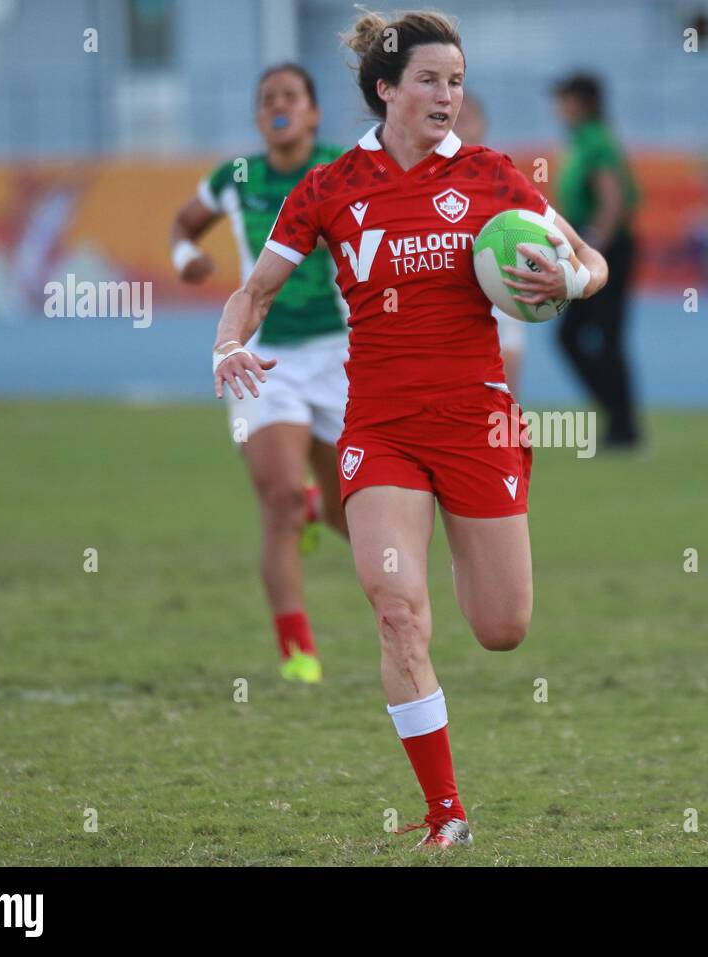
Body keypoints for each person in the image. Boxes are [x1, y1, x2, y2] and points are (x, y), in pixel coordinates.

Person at [210, 10, 608, 849]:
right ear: (385, 88)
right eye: (430, 79)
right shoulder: (329, 188)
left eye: (456, 81)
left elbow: (590, 263)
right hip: (380, 428)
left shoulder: (496, 177)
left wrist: (565, 277)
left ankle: (470, 567)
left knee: (502, 627)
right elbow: (255, 291)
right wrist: (225, 345)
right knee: (397, 610)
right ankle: (445, 813)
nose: (447, 94)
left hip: (476, 424)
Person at [170, 64, 349, 685]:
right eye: (267, 99)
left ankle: (316, 504)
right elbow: (184, 223)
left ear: (314, 111)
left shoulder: (341, 168)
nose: (278, 107)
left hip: (343, 355)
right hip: (263, 357)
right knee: (276, 501)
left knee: (352, 516)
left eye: (291, 97)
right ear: (257, 116)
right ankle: (297, 649)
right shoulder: (236, 176)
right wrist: (187, 255)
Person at [551, 72, 643, 449]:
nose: (559, 108)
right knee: (583, 336)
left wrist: (592, 248)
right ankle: (618, 419)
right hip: (596, 248)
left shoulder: (594, 139)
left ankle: (622, 424)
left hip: (607, 251)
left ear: (583, 102)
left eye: (564, 99)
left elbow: (612, 196)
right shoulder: (580, 139)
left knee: (602, 337)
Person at [453, 91, 527, 392]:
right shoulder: (417, 181)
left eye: (466, 120)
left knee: (503, 396)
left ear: (483, 125)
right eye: (452, 121)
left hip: (498, 293)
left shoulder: (503, 179)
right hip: (443, 299)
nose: (459, 129)